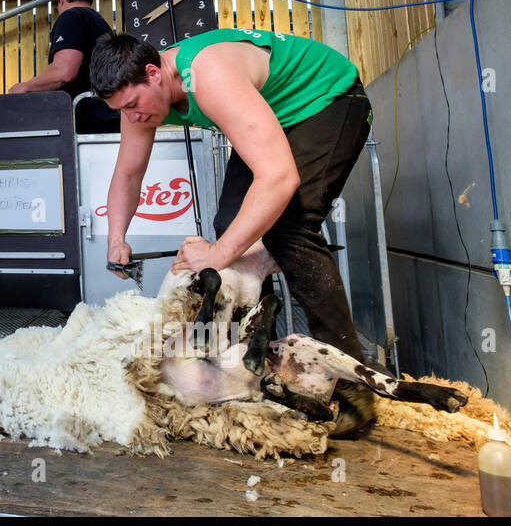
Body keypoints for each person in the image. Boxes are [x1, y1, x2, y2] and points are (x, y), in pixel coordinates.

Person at [90, 27, 377, 433]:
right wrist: (117, 236)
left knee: (288, 230)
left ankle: (354, 387)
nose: (134, 117)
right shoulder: (138, 100)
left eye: (135, 105)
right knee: (233, 226)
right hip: (276, 112)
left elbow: (278, 178)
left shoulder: (210, 76)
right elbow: (129, 172)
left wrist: (218, 254)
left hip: (328, 100)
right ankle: (261, 364)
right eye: (123, 110)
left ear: (154, 72)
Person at [8, 0, 120, 133]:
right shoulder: (102, 24)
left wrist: (24, 87)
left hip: (89, 122)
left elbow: (64, 72)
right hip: (110, 117)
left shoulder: (71, 17)